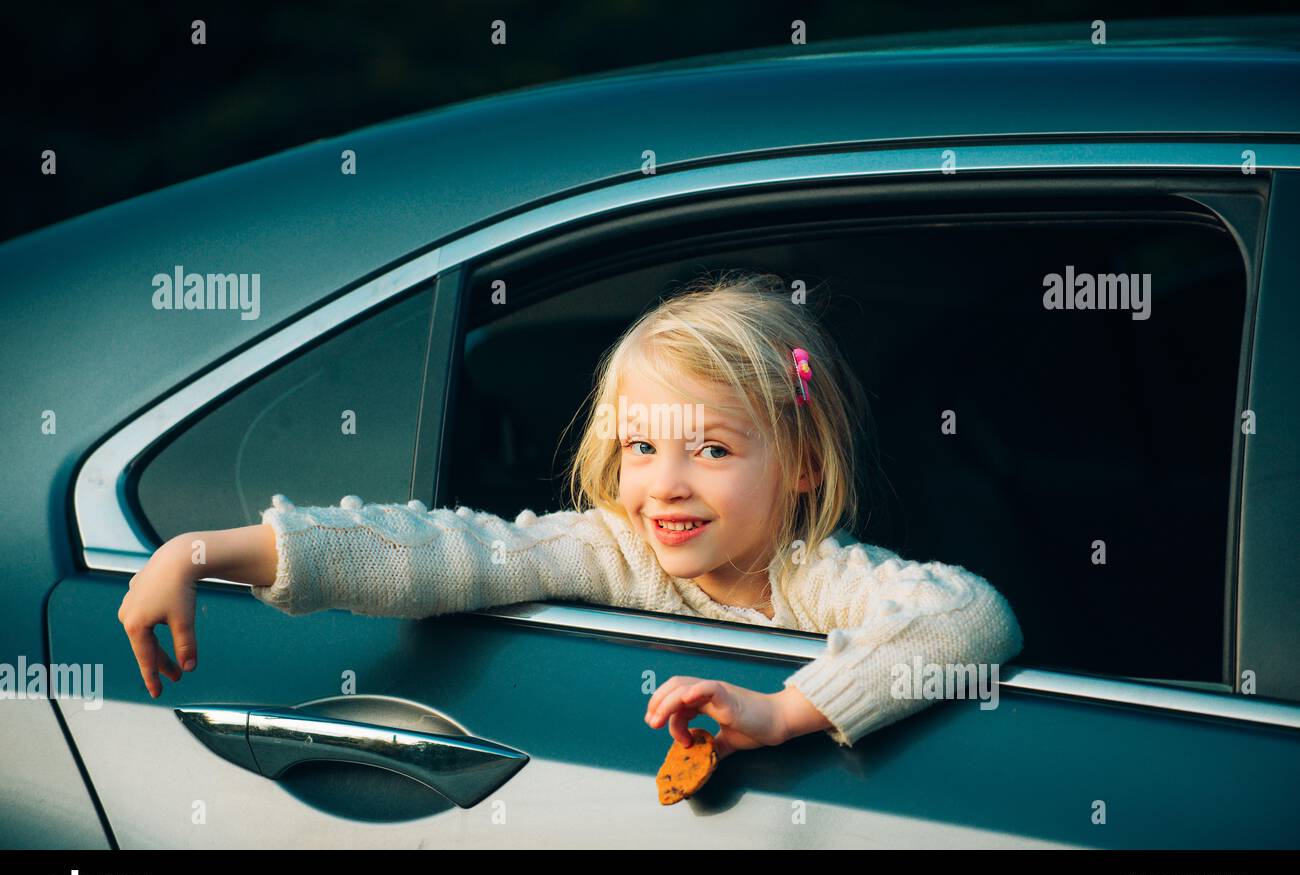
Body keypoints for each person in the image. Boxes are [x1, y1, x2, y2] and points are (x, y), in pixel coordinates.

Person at [119, 269, 1023, 760]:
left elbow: (970, 617)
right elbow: (436, 552)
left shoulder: (818, 575)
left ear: (802, 468)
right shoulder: (612, 551)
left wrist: (785, 713)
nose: (665, 484)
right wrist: (203, 550)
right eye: (641, 447)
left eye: (710, 450)